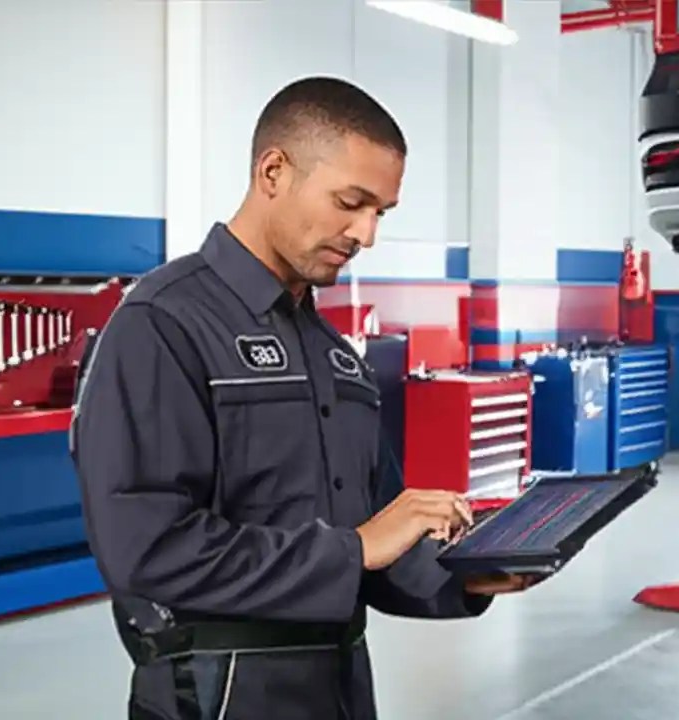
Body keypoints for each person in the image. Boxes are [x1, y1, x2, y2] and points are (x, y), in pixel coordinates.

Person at [71, 76, 533, 720]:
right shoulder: (161, 324)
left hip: (339, 688)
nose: (365, 234)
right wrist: (357, 548)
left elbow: (373, 544)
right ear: (273, 171)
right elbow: (146, 549)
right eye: (351, 201)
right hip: (215, 694)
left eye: (381, 213)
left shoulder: (335, 355)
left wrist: (460, 577)